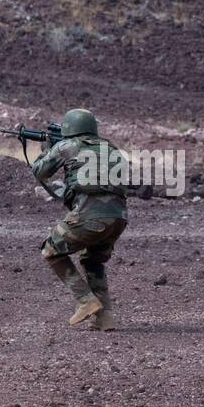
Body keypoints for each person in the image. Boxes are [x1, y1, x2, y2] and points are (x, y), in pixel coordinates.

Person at [31, 108, 128, 329]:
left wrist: (48, 149)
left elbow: (40, 172)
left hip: (89, 217)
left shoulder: (66, 146)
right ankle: (105, 317)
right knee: (93, 260)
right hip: (118, 219)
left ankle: (85, 300)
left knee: (51, 249)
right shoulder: (112, 148)